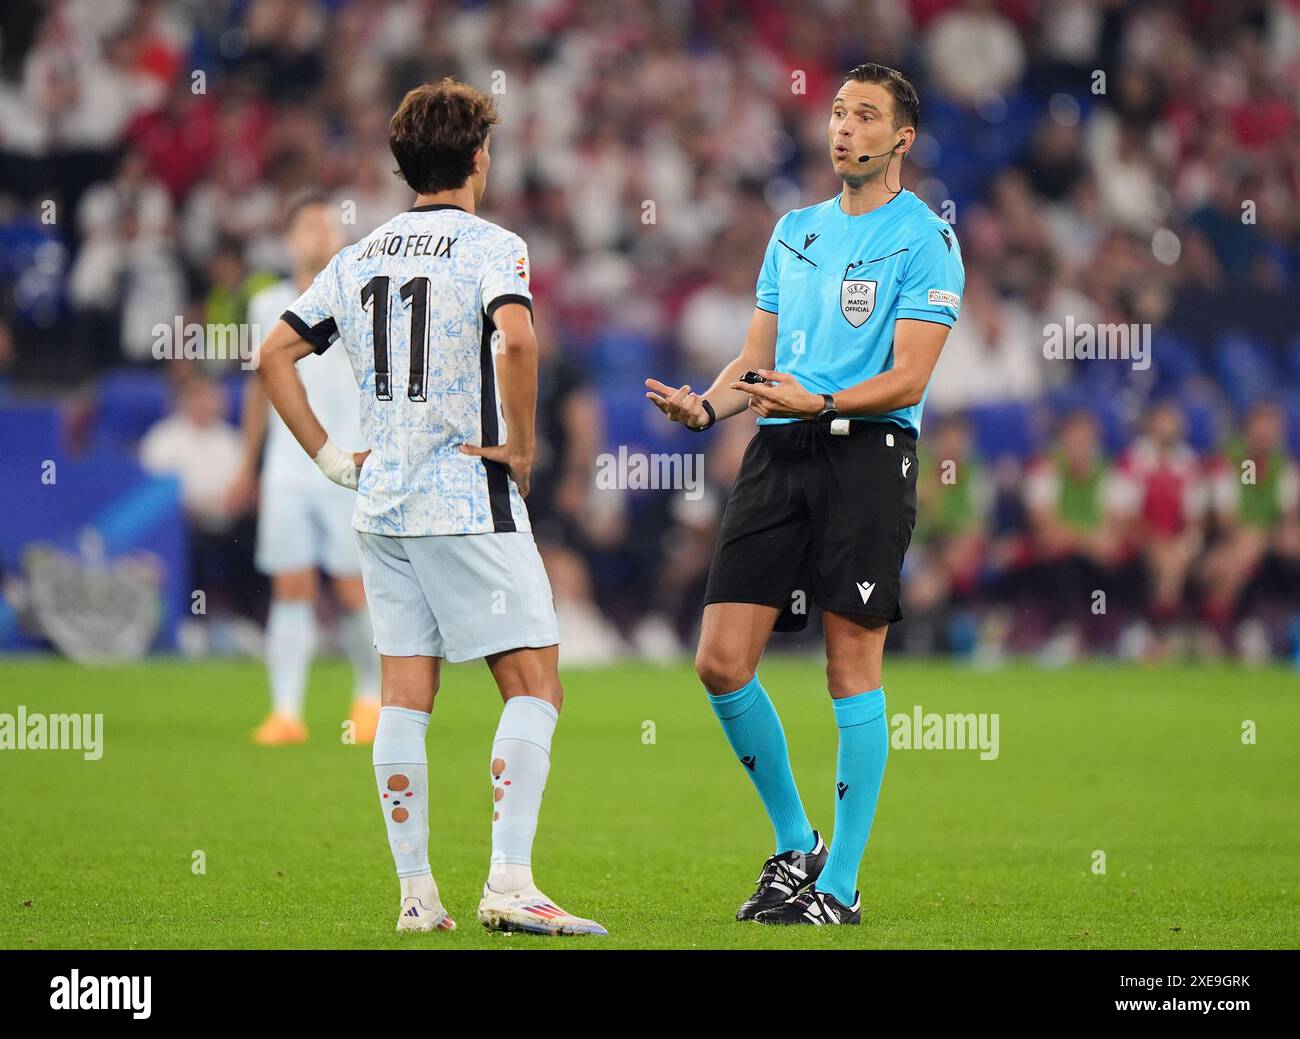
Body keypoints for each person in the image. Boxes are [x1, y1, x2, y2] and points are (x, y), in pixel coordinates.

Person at [253, 78, 605, 937]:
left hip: (382, 506)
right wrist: (521, 446)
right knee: (535, 683)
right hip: (465, 495)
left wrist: (334, 459)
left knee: (405, 696)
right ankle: (511, 881)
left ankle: (417, 897)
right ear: (480, 157)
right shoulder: (494, 246)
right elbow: (519, 339)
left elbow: (273, 356)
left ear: (403, 162)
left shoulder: (361, 253)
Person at [645, 63, 964, 925]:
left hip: (868, 457)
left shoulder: (926, 238)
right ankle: (798, 843)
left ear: (901, 139)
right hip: (778, 449)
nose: (844, 127)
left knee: (848, 663)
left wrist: (817, 397)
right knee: (718, 659)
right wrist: (709, 404)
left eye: (865, 116)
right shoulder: (794, 230)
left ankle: (840, 886)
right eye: (836, 112)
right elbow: (759, 356)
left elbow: (908, 374)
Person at [230, 193, 381, 747]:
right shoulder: (266, 303)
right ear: (289, 239)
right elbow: (259, 385)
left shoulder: (361, 299)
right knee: (290, 586)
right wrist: (247, 463)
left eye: (327, 226)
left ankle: (369, 700)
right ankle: (286, 712)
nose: (319, 234)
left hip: (348, 463)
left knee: (350, 590)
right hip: (287, 469)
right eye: (308, 226)